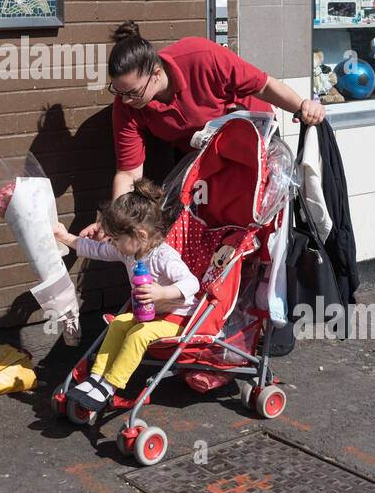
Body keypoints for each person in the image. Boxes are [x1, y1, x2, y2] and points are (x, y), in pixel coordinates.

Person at [80, 21, 325, 239]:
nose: (125, 100)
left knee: (259, 222)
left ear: (156, 74)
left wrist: (303, 106)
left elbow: (263, 85)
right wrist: (112, 223)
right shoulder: (127, 107)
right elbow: (128, 174)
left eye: (133, 92)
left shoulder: (201, 56)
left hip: (252, 139)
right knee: (210, 227)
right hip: (203, 157)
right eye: (118, 92)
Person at [53, 180, 198, 413]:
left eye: (116, 239)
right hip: (151, 314)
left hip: (176, 317)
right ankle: (97, 377)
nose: (112, 243)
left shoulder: (164, 257)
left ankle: (111, 384)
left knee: (137, 336)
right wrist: (65, 238)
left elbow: (192, 283)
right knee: (119, 324)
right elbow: (96, 249)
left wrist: (162, 292)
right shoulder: (129, 251)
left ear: (140, 234)